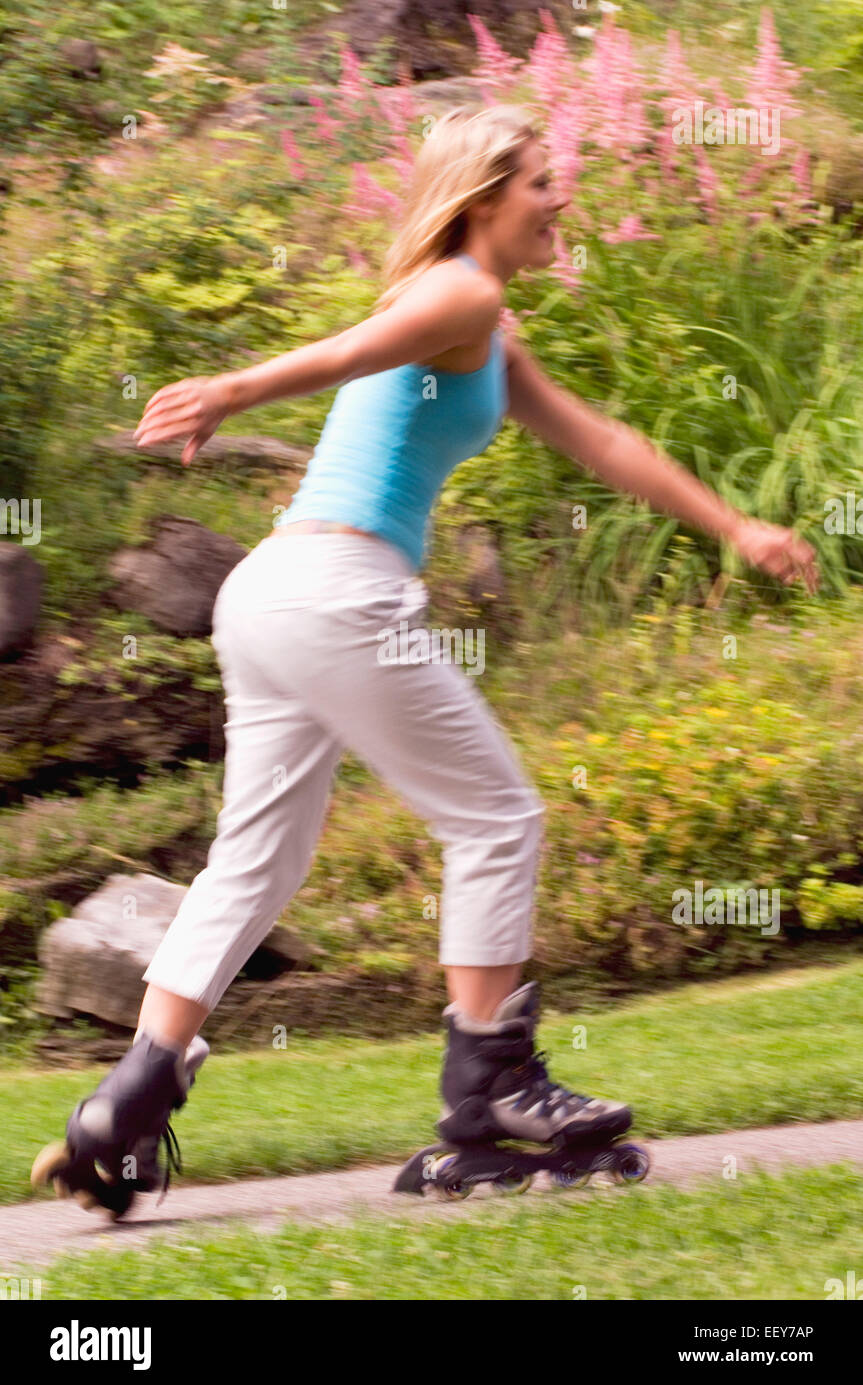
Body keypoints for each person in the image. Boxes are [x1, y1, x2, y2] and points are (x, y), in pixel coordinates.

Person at [33, 104, 818, 1215]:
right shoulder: (461, 289)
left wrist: (733, 527)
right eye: (542, 181)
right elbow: (351, 352)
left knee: (253, 866)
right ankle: (489, 1091)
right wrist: (234, 389)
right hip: (336, 592)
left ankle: (127, 1105)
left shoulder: (481, 329)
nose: (561, 199)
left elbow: (602, 441)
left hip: (268, 595)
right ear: (483, 196)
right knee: (496, 818)